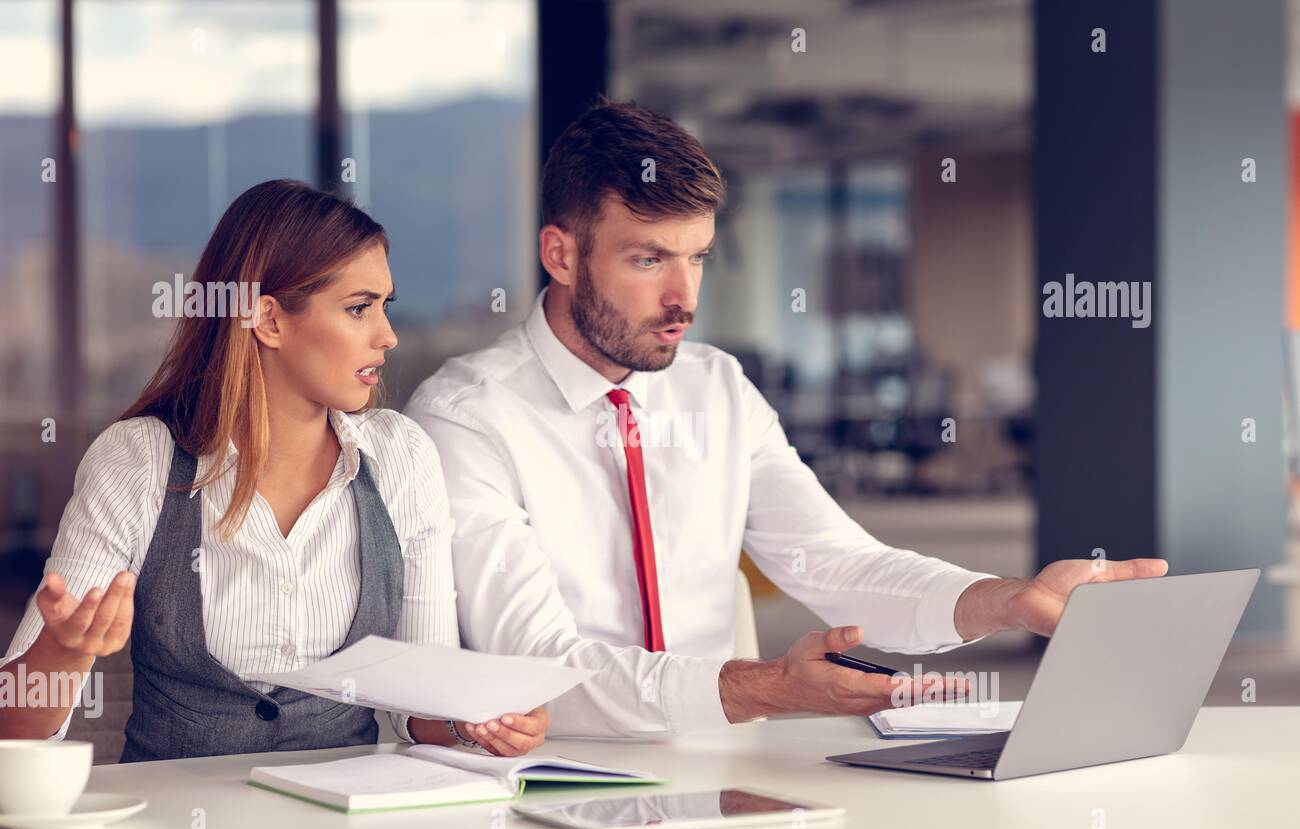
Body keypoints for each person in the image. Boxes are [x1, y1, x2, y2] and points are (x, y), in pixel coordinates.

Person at [403, 100, 1168, 737]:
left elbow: (834, 562)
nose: (684, 298)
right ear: (561, 255)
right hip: (556, 779)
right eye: (649, 260)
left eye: (698, 257)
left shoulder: (717, 388)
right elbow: (539, 667)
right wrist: (768, 687)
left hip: (727, 770)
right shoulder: (468, 419)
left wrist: (1007, 599)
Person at [0, 180, 548, 759]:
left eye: (384, 306)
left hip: (347, 826)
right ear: (268, 320)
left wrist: (475, 723)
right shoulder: (138, 461)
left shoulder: (401, 458)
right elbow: (12, 727)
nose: (387, 336)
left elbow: (420, 702)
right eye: (359, 308)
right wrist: (64, 648)